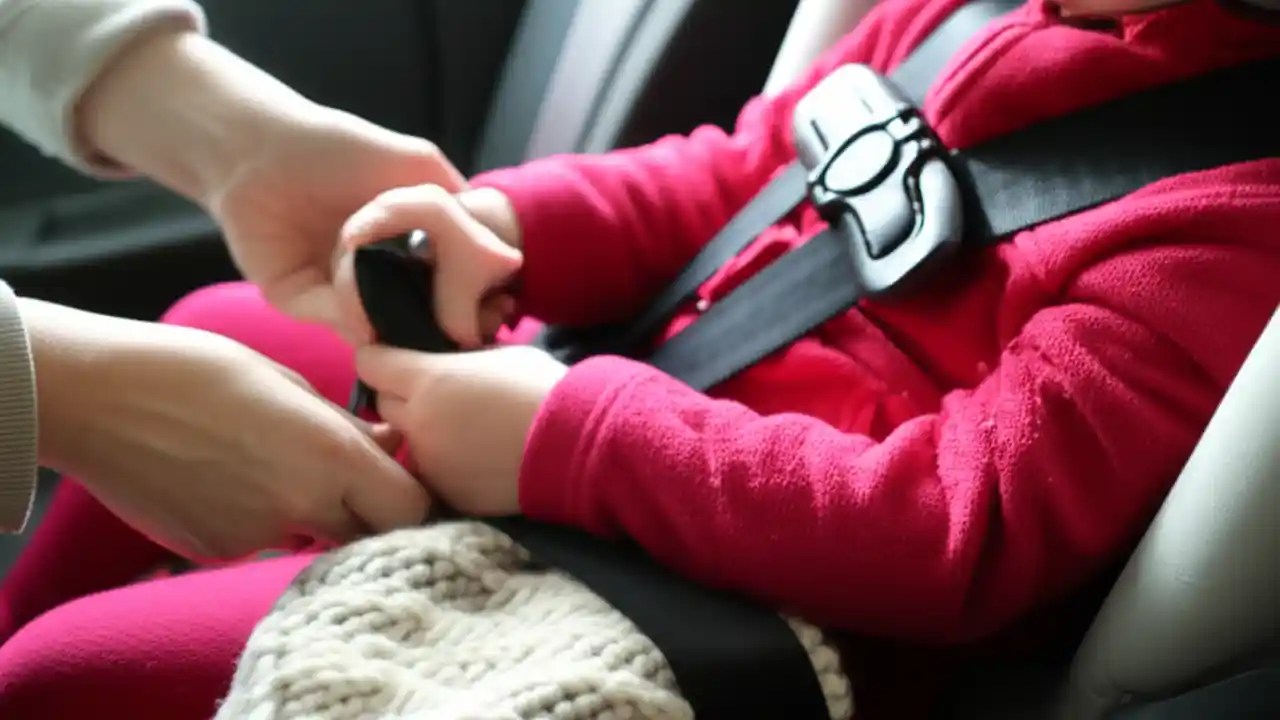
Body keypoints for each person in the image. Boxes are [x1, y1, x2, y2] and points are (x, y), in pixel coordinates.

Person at [2, 0, 1279, 718]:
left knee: (66, 683)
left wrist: (566, 438)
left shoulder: (1223, 225)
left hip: (744, 593)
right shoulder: (976, 18)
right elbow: (740, 169)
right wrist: (508, 227)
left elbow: (955, 525)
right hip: (629, 393)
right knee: (217, 327)